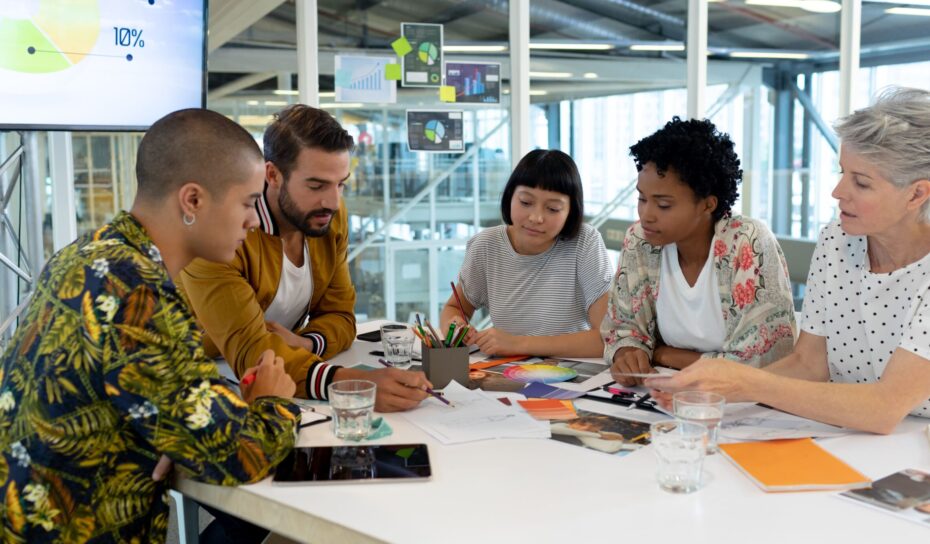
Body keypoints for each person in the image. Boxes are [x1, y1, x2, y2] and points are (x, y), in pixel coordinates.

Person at [0, 109, 299, 543]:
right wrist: (273, 403)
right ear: (193, 200)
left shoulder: (87, 253)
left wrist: (169, 434)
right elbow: (237, 456)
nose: (254, 221)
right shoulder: (139, 292)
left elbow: (126, 395)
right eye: (249, 203)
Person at [646, 88, 930, 434]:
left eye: (861, 183)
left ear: (917, 193)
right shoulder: (837, 241)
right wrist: (712, 393)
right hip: (845, 434)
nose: (838, 192)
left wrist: (745, 383)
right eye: (842, 172)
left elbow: (883, 409)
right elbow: (809, 364)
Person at [181, 105, 430, 413]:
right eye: (316, 185)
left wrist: (310, 343)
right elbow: (250, 350)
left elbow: (341, 316)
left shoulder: (326, 218)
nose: (333, 202)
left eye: (341, 184)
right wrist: (350, 383)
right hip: (206, 384)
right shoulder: (219, 235)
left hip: (289, 376)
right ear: (272, 174)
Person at [602, 117, 796, 387]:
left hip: (744, 403)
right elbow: (623, 328)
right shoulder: (640, 241)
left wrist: (662, 353)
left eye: (664, 205)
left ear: (707, 205)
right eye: (642, 199)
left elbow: (761, 362)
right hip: (666, 395)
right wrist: (627, 353)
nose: (646, 215)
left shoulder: (747, 243)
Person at [440, 149, 612, 358]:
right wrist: (456, 326)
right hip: (505, 373)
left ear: (571, 212)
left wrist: (518, 344)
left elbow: (607, 338)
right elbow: (454, 308)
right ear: (510, 197)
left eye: (553, 209)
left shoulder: (585, 242)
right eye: (525, 202)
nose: (536, 217)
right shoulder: (487, 245)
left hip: (570, 374)